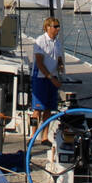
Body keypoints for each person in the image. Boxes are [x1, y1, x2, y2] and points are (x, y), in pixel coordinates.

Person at [30, 15, 64, 143]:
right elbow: (39, 63)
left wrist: (60, 66)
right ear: (47, 27)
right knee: (37, 109)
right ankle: (32, 136)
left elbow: (59, 58)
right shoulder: (40, 41)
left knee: (48, 109)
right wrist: (51, 78)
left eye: (58, 26)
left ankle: (44, 136)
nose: (58, 29)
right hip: (41, 78)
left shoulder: (57, 43)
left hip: (53, 77)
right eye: (55, 26)